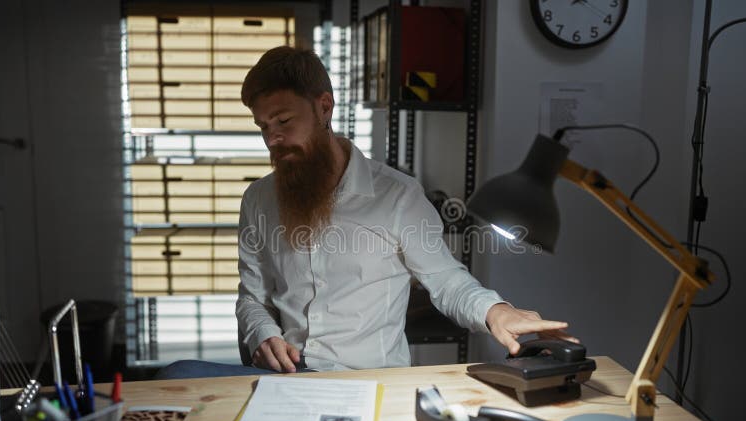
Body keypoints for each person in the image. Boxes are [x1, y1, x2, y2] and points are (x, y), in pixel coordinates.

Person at [155, 46, 574, 379]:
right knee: (173, 376)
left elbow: (445, 279)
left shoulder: (397, 195)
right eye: (263, 127)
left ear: (324, 108)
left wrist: (495, 310)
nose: (274, 140)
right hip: (288, 376)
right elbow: (253, 296)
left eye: (283, 120)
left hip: (369, 380)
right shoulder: (258, 199)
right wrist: (263, 333)